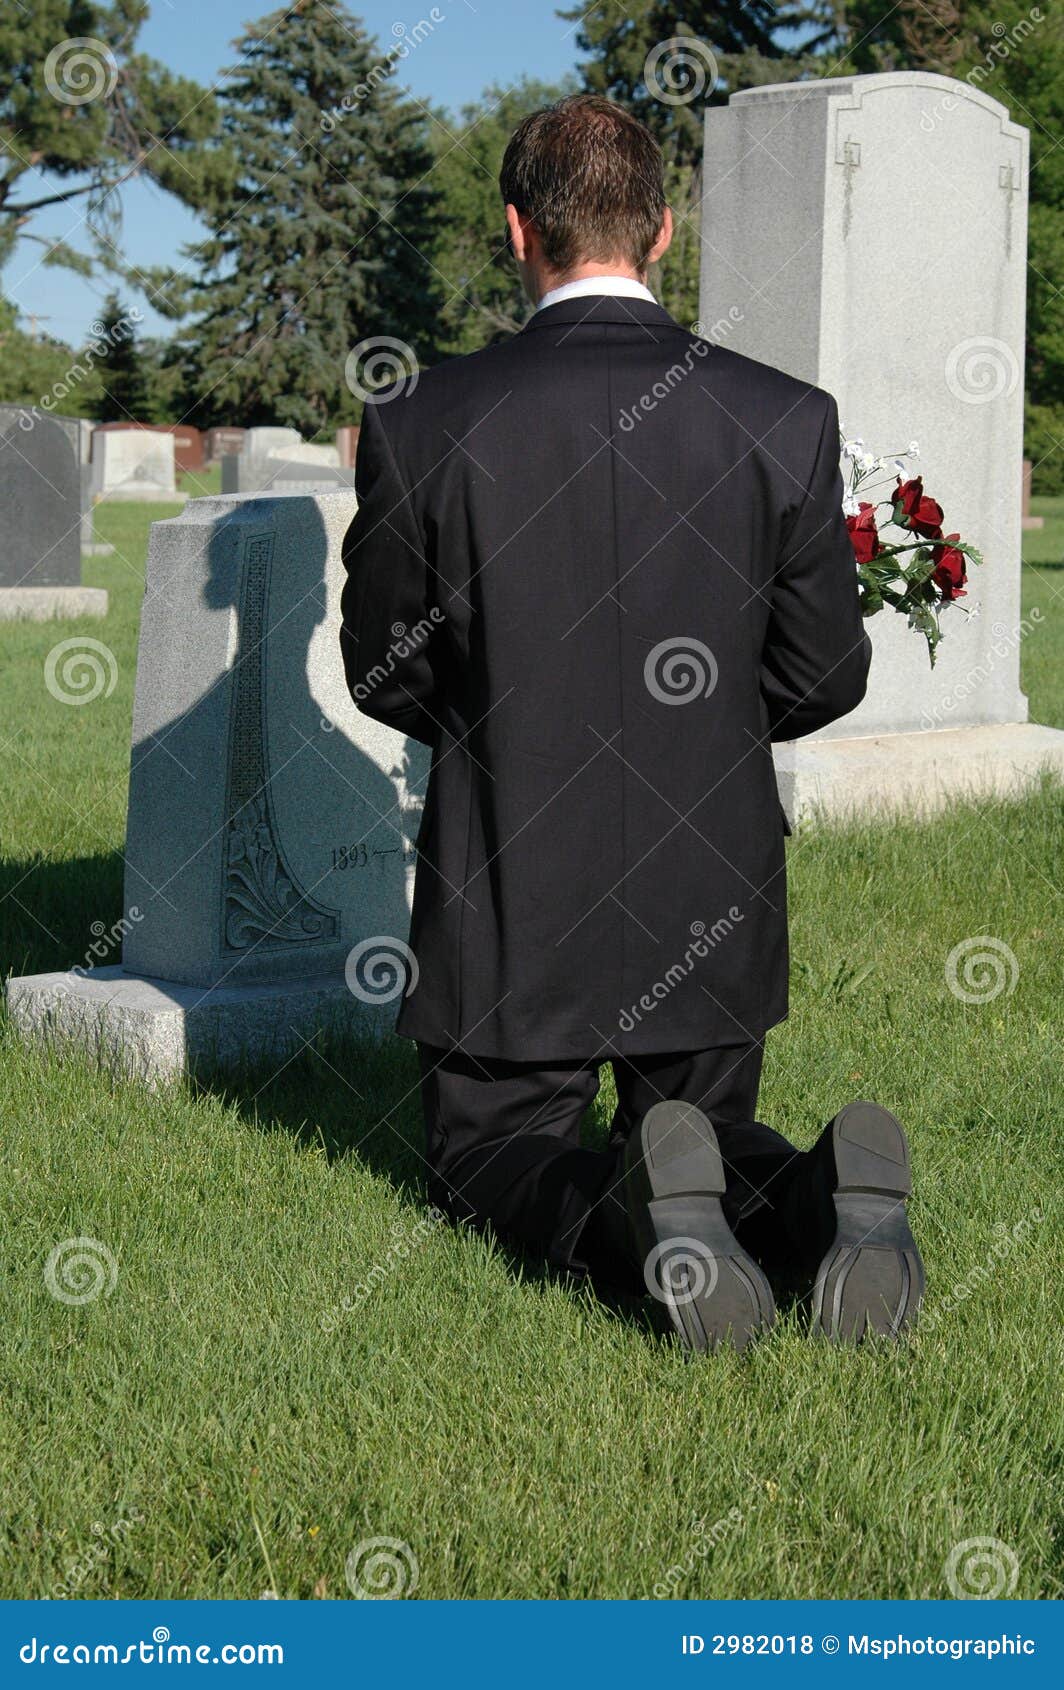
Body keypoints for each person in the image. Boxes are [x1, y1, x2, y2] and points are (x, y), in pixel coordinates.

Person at [340, 94, 924, 1351]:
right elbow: (824, 671)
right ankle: (815, 1196)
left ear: (514, 231)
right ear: (661, 232)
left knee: (490, 1157)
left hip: (507, 882)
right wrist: (701, 734)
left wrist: (505, 723)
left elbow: (381, 669)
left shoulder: (421, 418)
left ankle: (633, 1218)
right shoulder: (781, 418)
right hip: (705, 880)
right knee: (712, 1140)